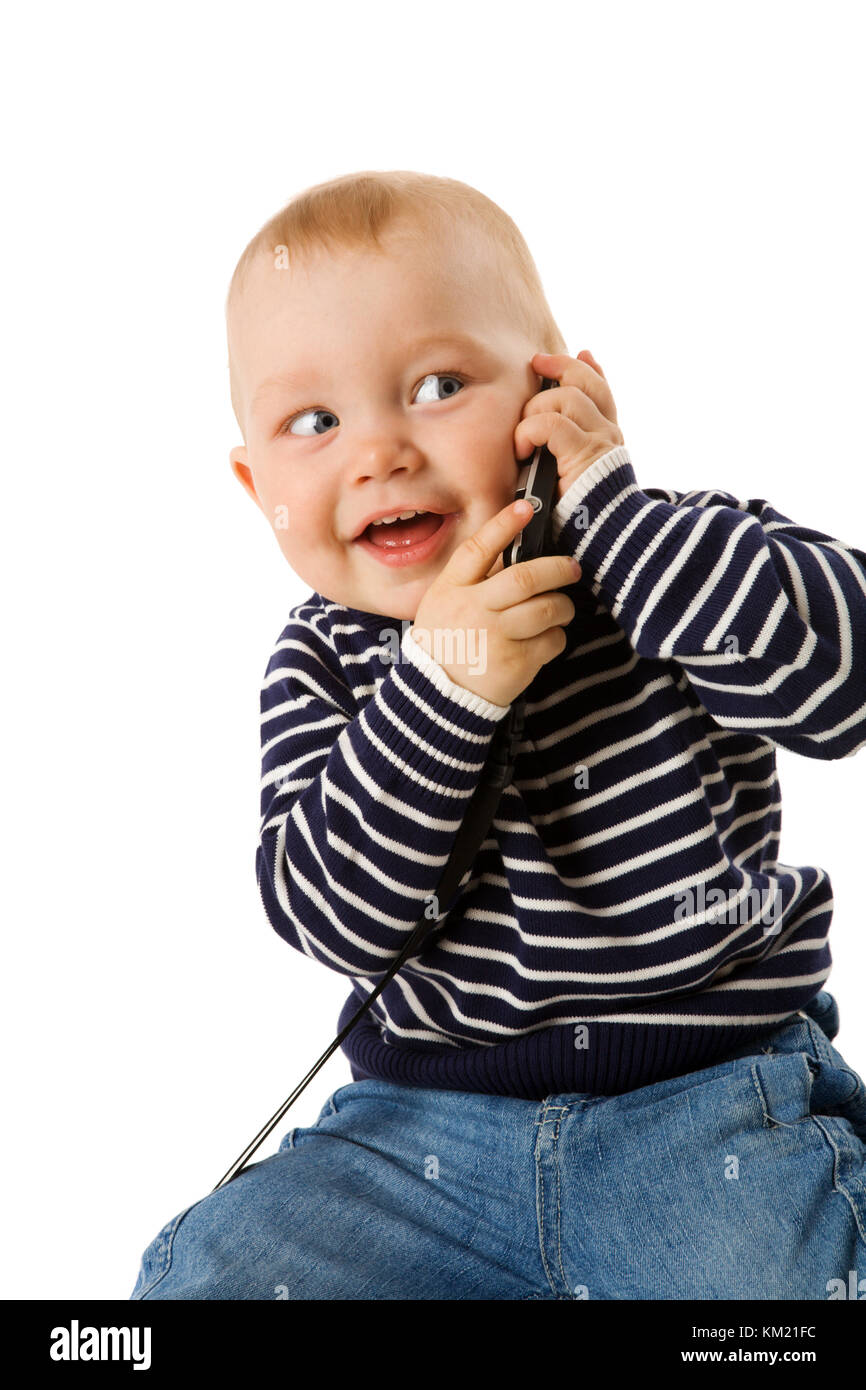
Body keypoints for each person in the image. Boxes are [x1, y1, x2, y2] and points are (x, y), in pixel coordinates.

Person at [130, 170, 866, 1300]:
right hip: (419, 1135)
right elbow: (331, 913)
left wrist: (619, 519)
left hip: (704, 1107)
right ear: (253, 480)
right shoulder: (326, 658)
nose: (376, 451)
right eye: (313, 422)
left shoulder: (672, 562)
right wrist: (442, 691)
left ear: (556, 392)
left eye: (435, 385)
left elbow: (840, 684)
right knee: (214, 1275)